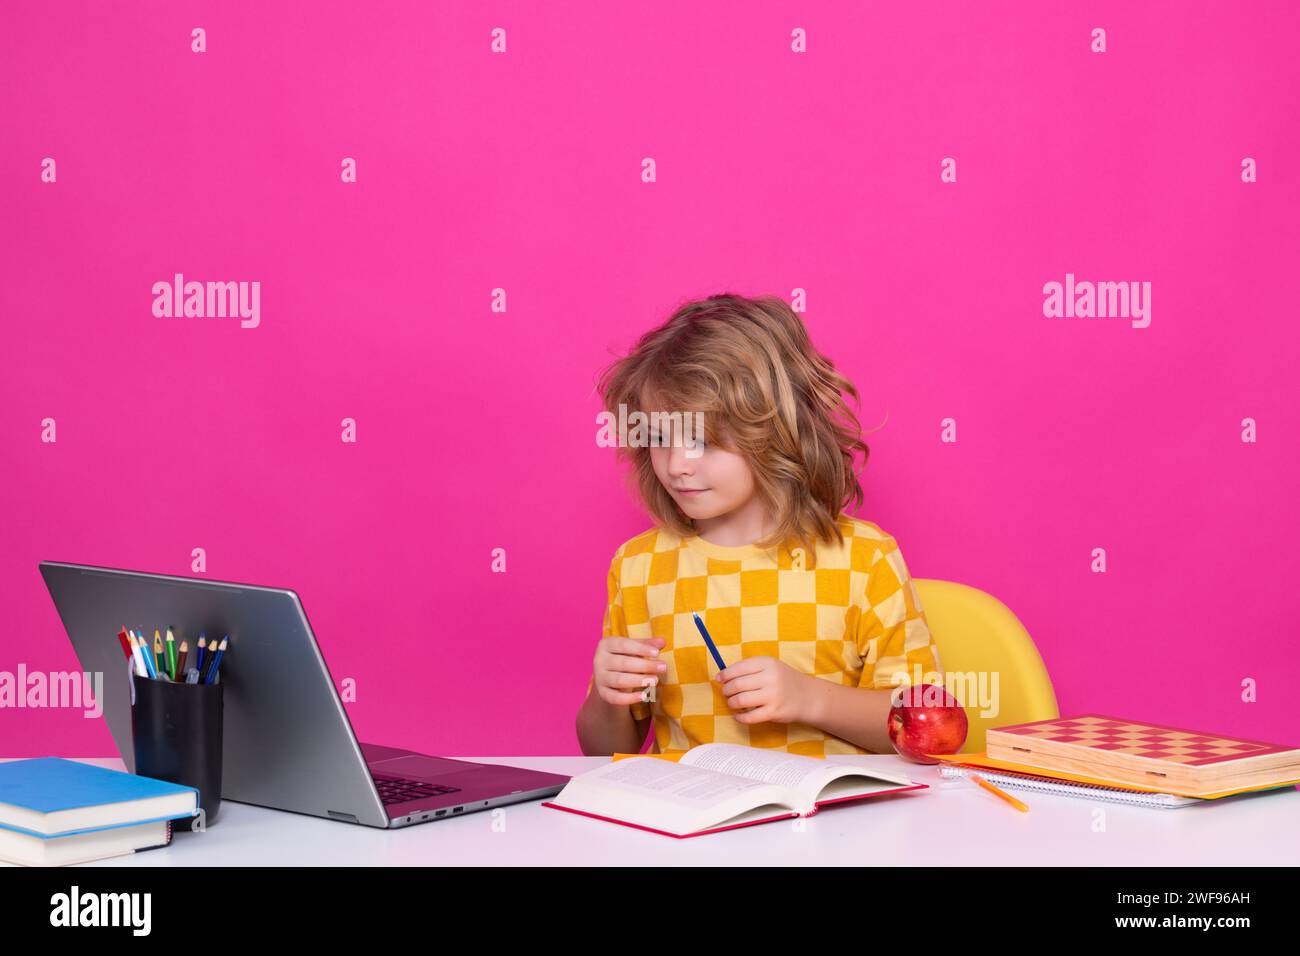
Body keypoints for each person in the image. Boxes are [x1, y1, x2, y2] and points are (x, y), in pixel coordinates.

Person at [577, 293, 943, 756]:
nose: (676, 465)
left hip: (835, 824)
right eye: (658, 437)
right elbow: (603, 752)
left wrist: (810, 699)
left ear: (775, 432)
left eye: (703, 440)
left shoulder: (865, 560)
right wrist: (609, 699)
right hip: (692, 820)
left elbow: (924, 728)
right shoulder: (638, 567)